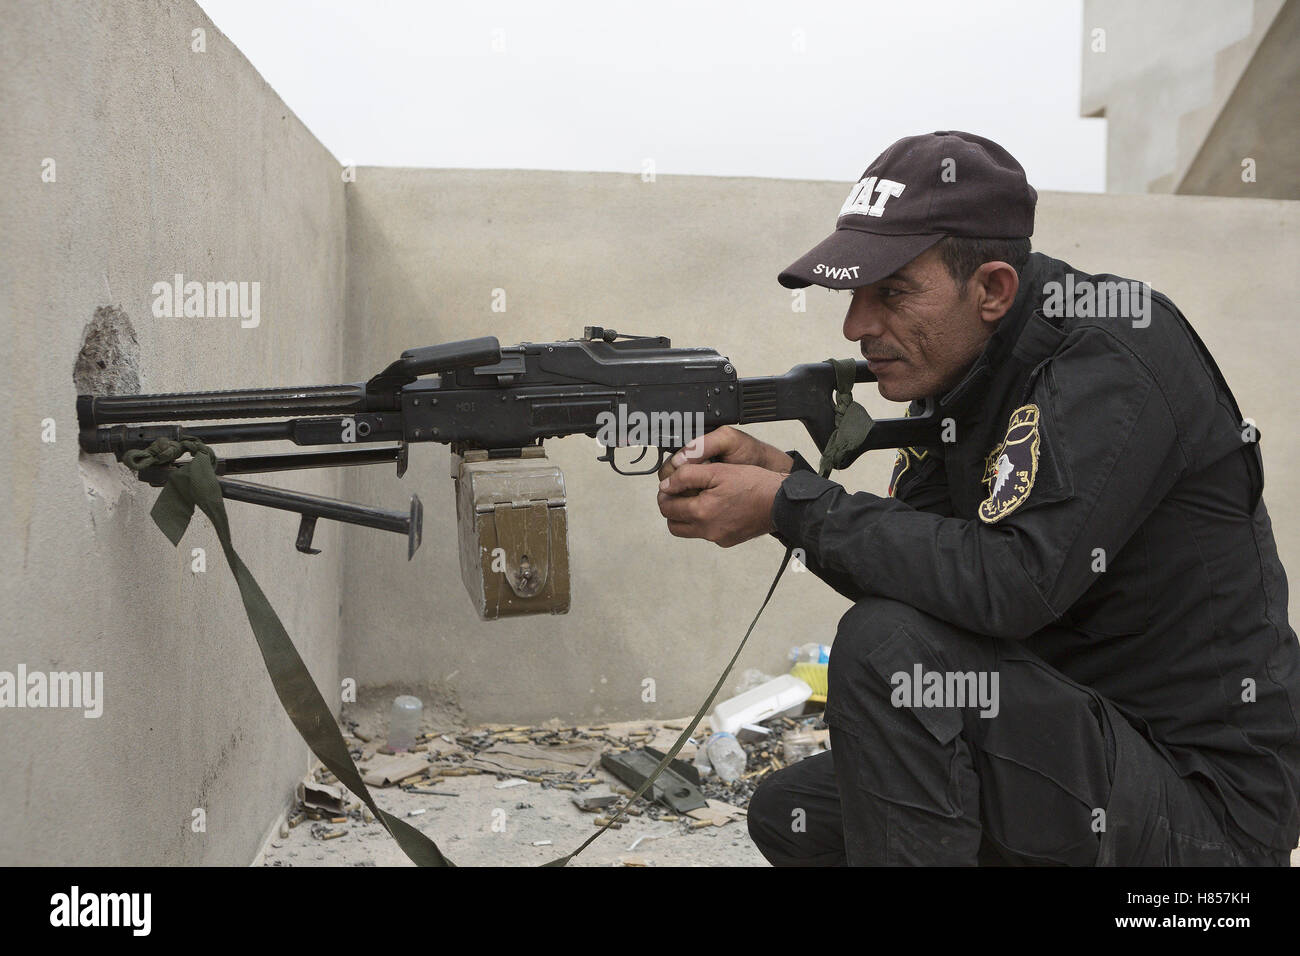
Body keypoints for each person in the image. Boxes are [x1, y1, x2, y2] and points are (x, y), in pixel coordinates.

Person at [655, 131, 1300, 866]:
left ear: (993, 289)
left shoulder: (1112, 355)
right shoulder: (966, 376)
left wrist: (791, 504)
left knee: (885, 648)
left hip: (1206, 817)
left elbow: (1013, 583)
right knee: (796, 813)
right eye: (855, 295)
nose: (857, 326)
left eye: (891, 293)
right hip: (1085, 757)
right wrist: (788, 480)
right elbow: (933, 577)